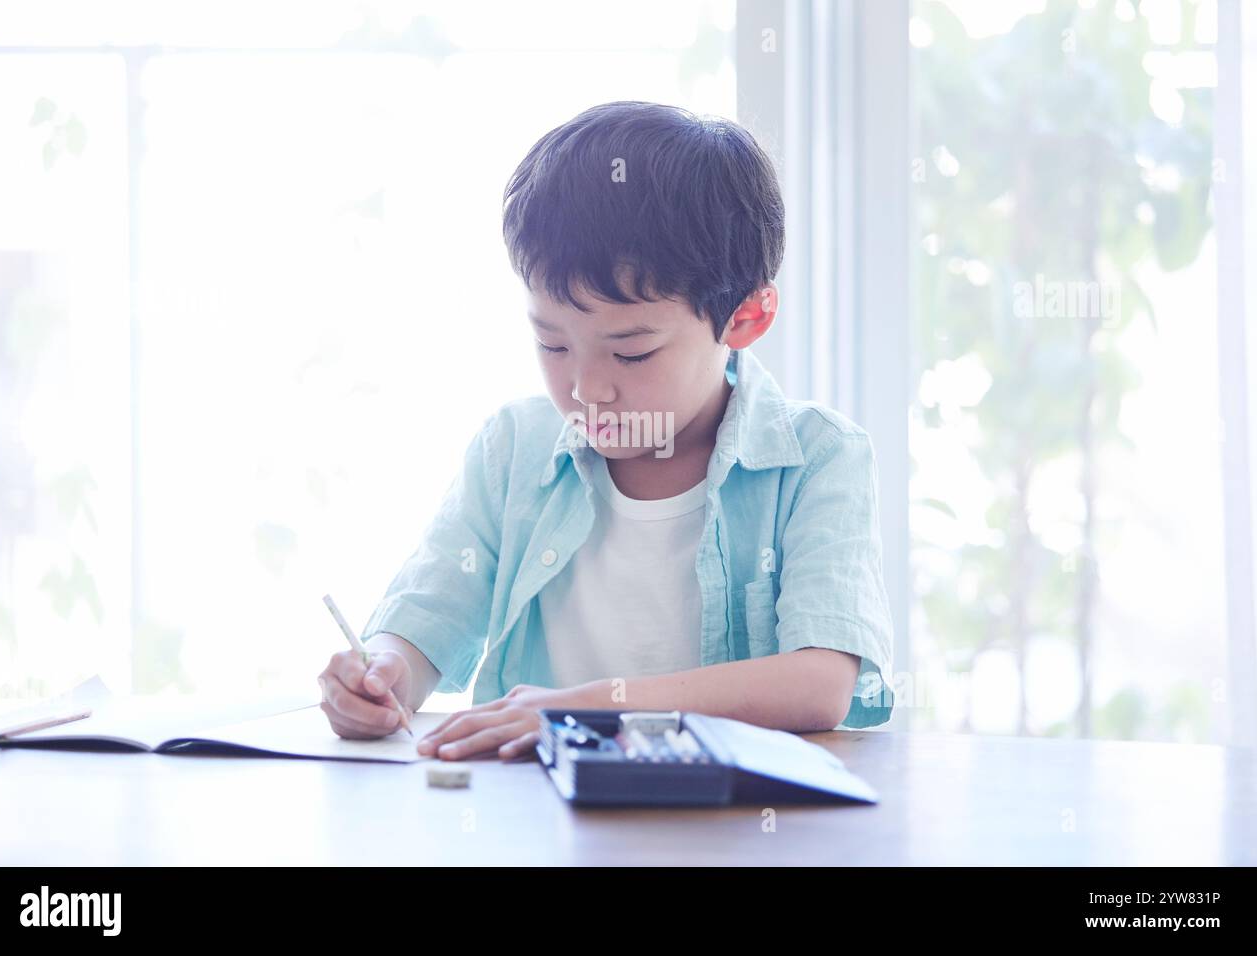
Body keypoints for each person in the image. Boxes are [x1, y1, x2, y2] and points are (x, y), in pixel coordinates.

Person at [318, 101, 895, 761]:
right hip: (528, 818)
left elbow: (818, 682)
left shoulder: (817, 458)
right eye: (553, 344)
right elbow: (426, 620)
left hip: (730, 831)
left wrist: (590, 709)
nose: (588, 388)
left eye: (631, 353)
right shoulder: (515, 449)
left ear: (745, 318)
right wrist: (382, 671)